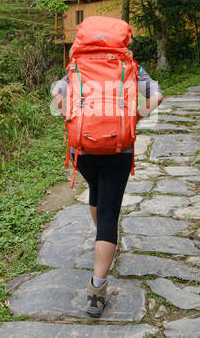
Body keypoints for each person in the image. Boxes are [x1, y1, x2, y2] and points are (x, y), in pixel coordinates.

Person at [51, 57, 163, 317]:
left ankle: (100, 238)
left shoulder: (80, 65)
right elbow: (157, 95)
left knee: (96, 190)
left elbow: (56, 93)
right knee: (109, 213)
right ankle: (96, 291)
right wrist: (135, 116)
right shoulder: (129, 66)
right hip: (118, 147)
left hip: (84, 148)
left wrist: (71, 116)